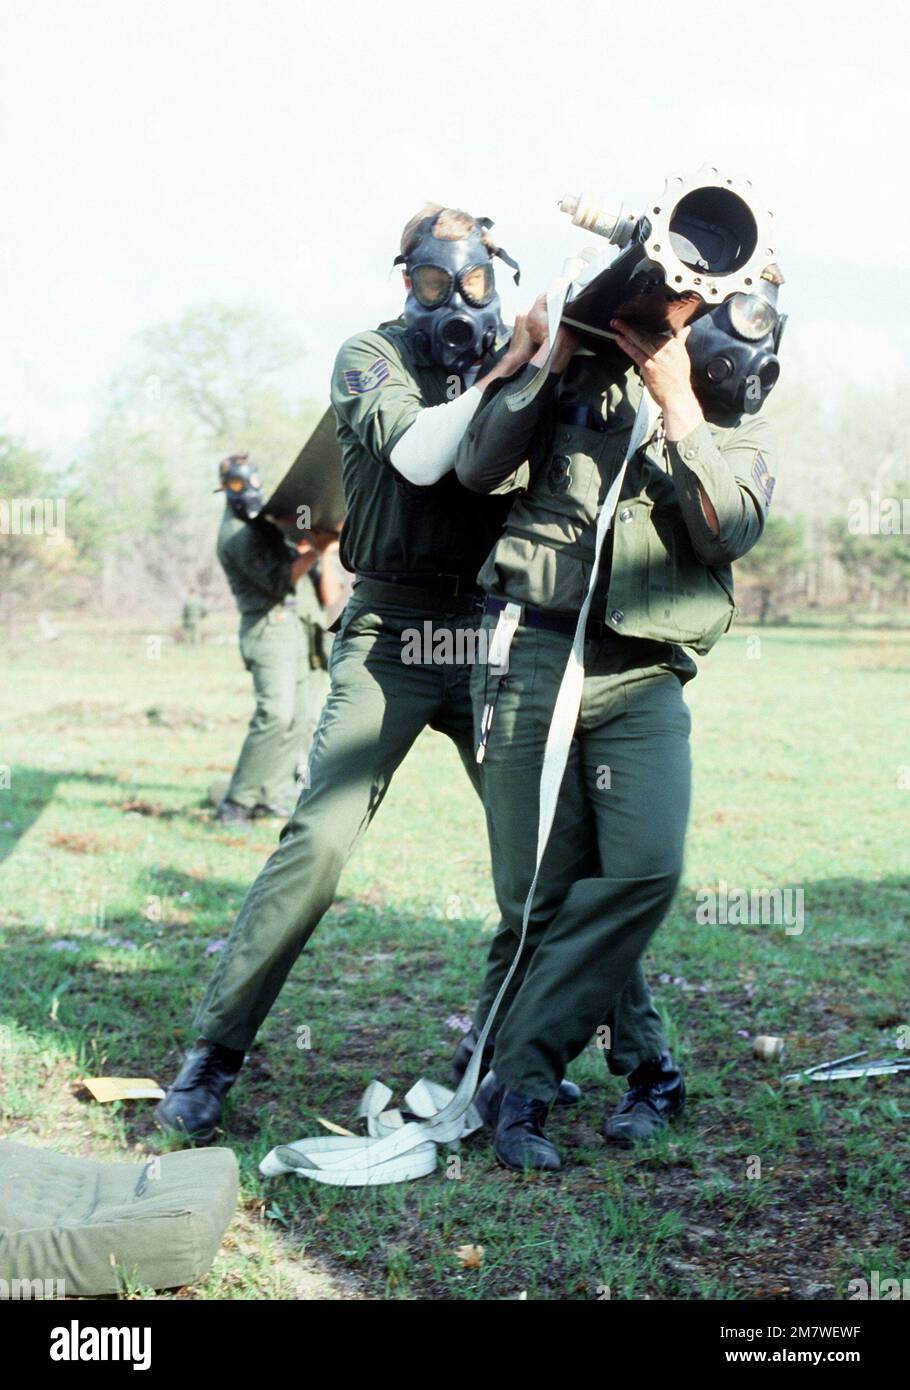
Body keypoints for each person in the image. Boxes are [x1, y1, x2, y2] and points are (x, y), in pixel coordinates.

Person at [155, 203, 568, 1142]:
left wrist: (564, 351)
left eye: (474, 282)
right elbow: (422, 457)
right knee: (317, 847)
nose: (457, 301)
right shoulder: (367, 357)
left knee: (547, 849)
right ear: (405, 277)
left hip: (489, 629)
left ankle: (564, 1052)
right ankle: (212, 1056)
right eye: (433, 280)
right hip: (392, 628)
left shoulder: (525, 348)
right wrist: (508, 369)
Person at [453, 294, 775, 1171]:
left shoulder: (730, 430)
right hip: (532, 661)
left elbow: (730, 529)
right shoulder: (578, 385)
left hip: (641, 677)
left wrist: (677, 404)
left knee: (642, 872)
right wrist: (543, 364)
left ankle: (520, 1071)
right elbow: (478, 469)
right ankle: (631, 1074)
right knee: (541, 900)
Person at [214, 454, 332, 825]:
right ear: (224, 487)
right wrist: (317, 548)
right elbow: (282, 579)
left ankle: (270, 795)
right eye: (236, 483)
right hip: (268, 630)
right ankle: (237, 803)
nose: (247, 489)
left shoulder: (258, 525)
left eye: (250, 480)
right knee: (276, 715)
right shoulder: (237, 536)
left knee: (299, 718)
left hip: (290, 626)